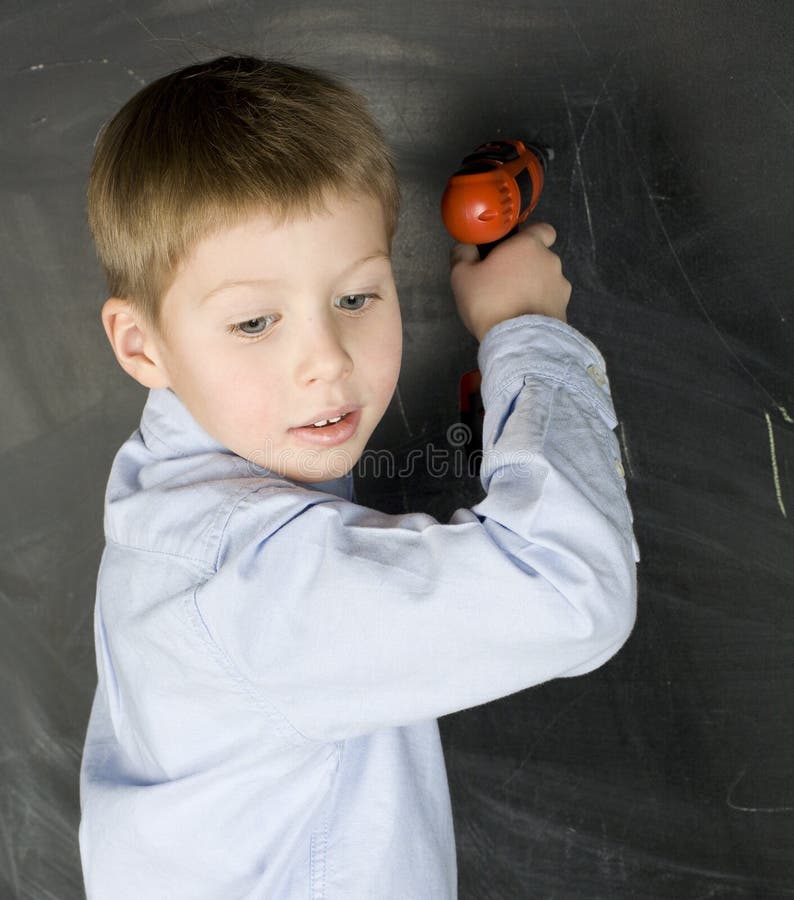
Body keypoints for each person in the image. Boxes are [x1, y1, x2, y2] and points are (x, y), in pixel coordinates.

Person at [78, 54, 638, 899]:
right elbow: (572, 591)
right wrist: (529, 333)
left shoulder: (173, 493)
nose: (326, 363)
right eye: (256, 321)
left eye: (355, 299)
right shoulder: (252, 587)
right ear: (139, 346)